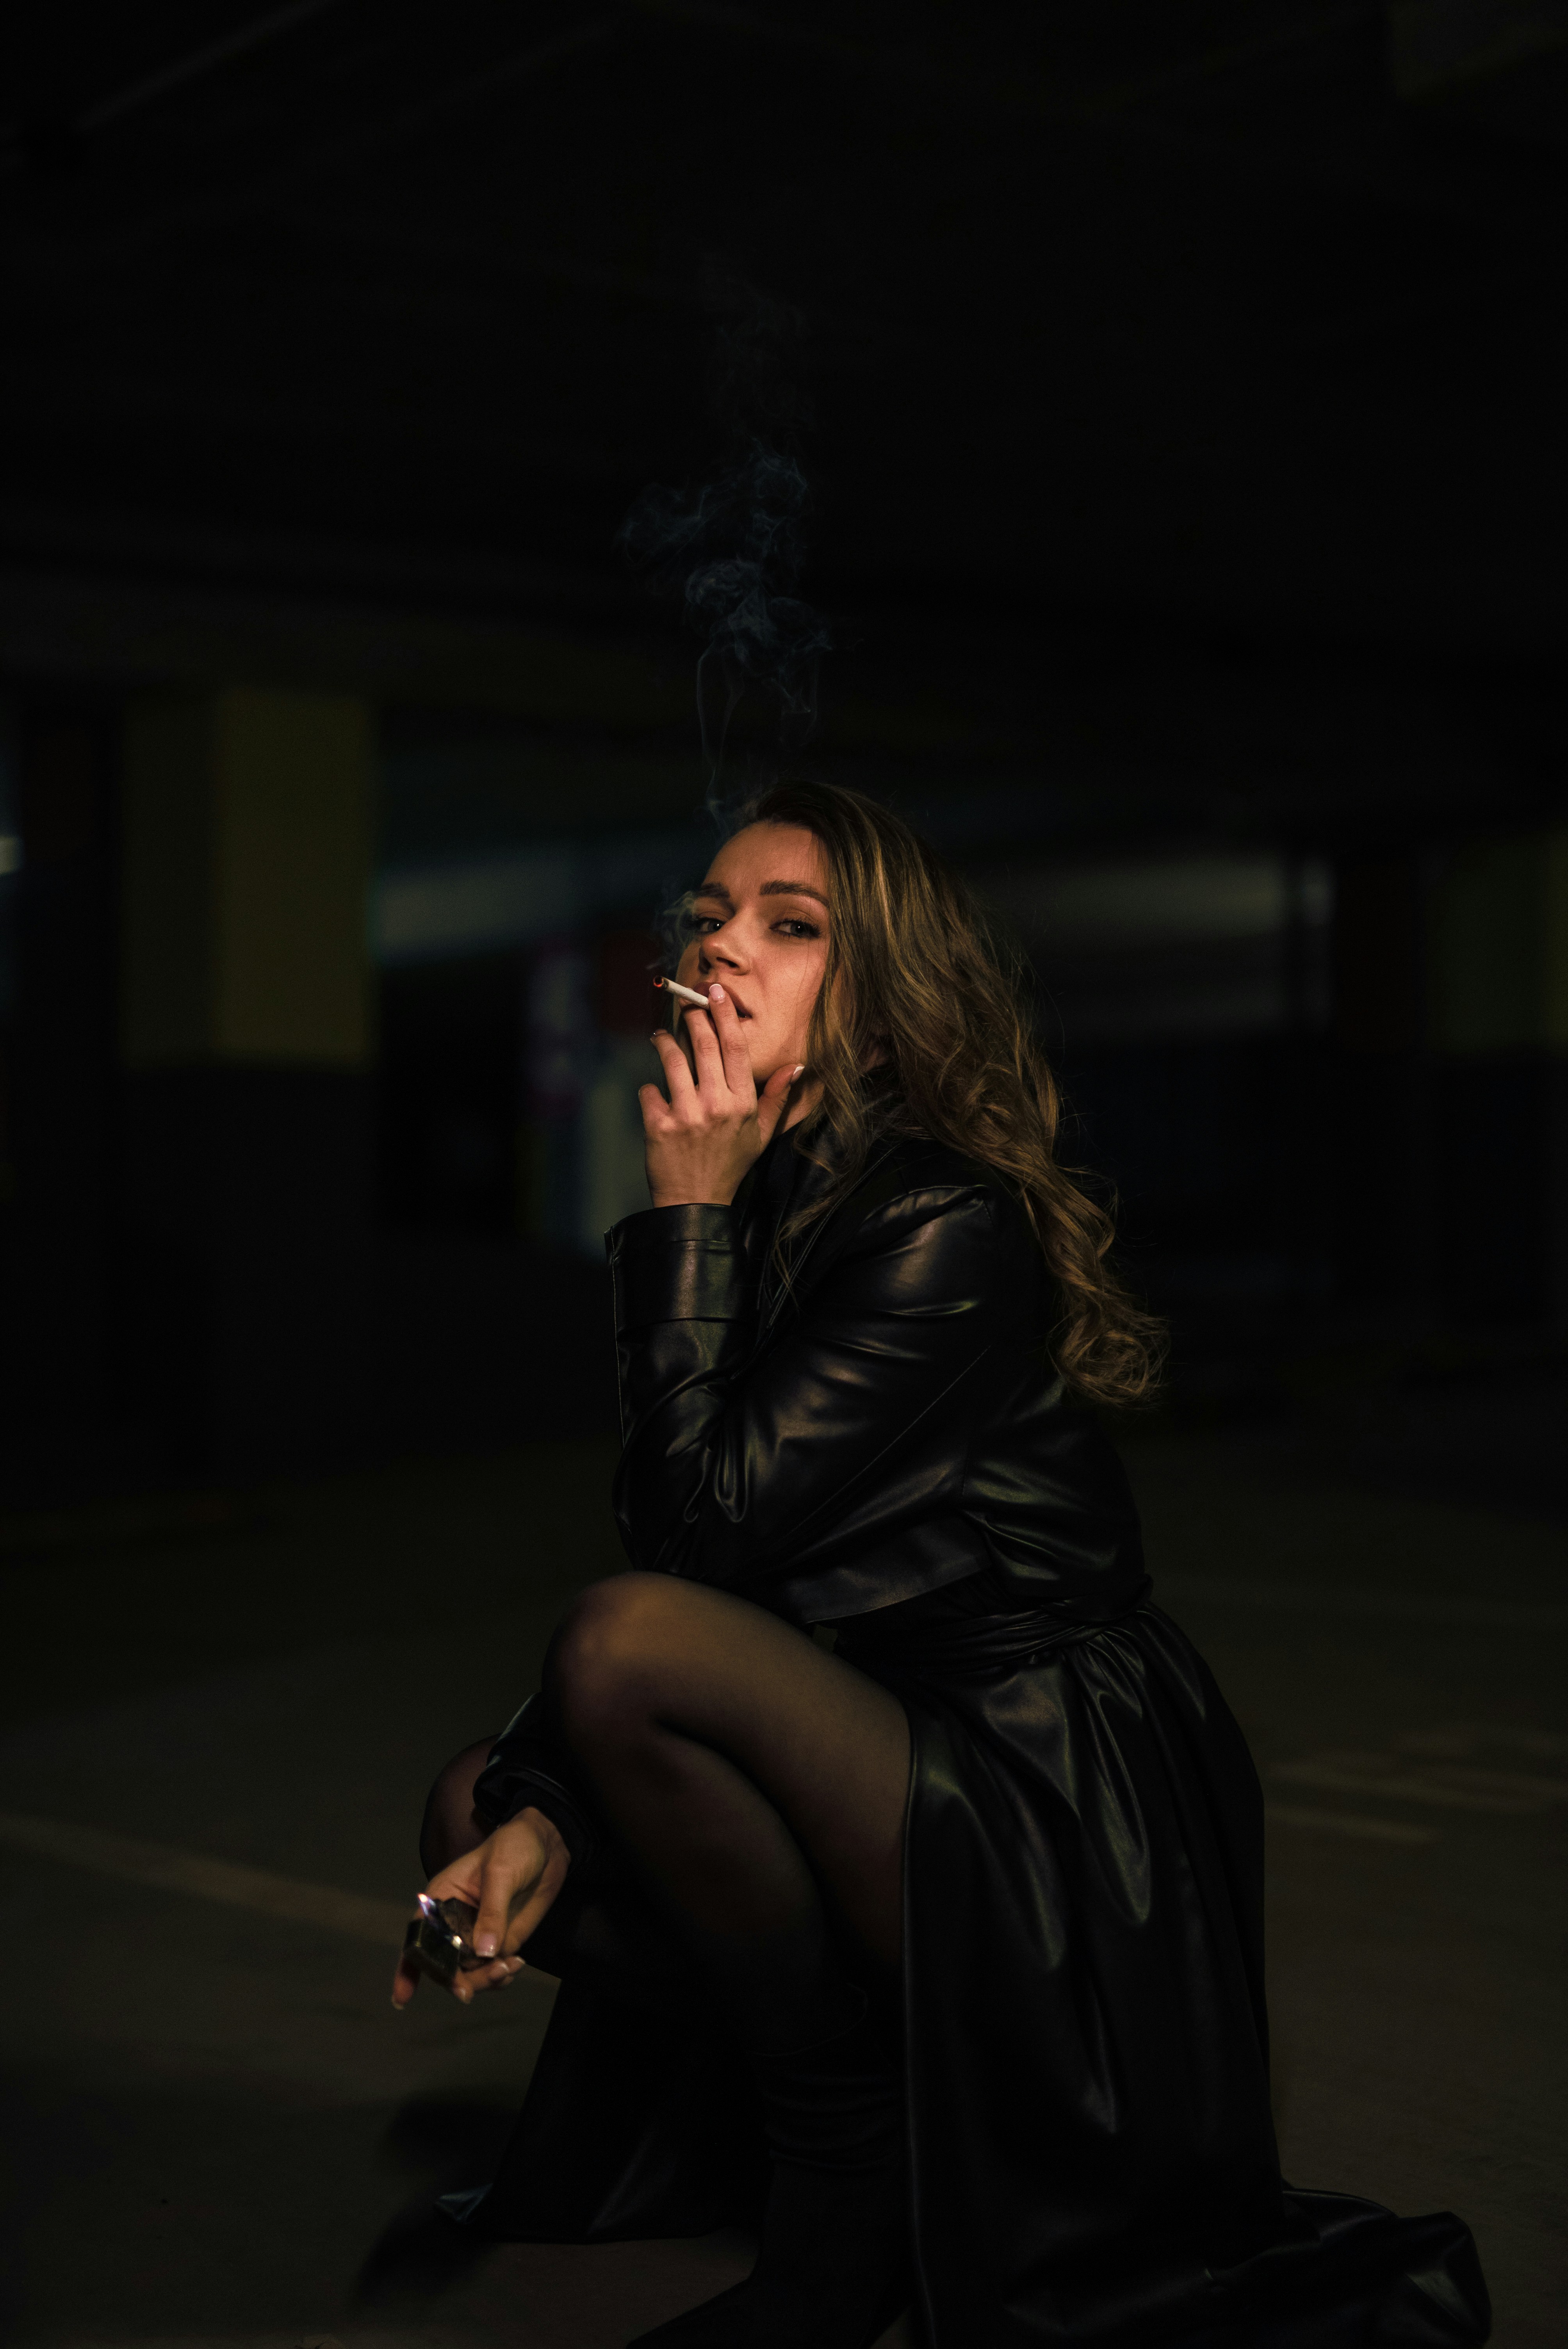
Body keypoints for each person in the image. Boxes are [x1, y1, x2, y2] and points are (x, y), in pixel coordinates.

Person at [395, 782, 1489, 2349]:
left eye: (792, 927)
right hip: (882, 1725)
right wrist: (540, 1807)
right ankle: (857, 2121)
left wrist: (682, 1217)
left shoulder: (934, 1219)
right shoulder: (766, 1197)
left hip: (1044, 1778)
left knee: (622, 1640)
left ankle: (843, 2194)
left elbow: (692, 1543)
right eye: (708, 920)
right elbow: (738, 1574)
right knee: (478, 1810)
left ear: (885, 998)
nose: (726, 951)